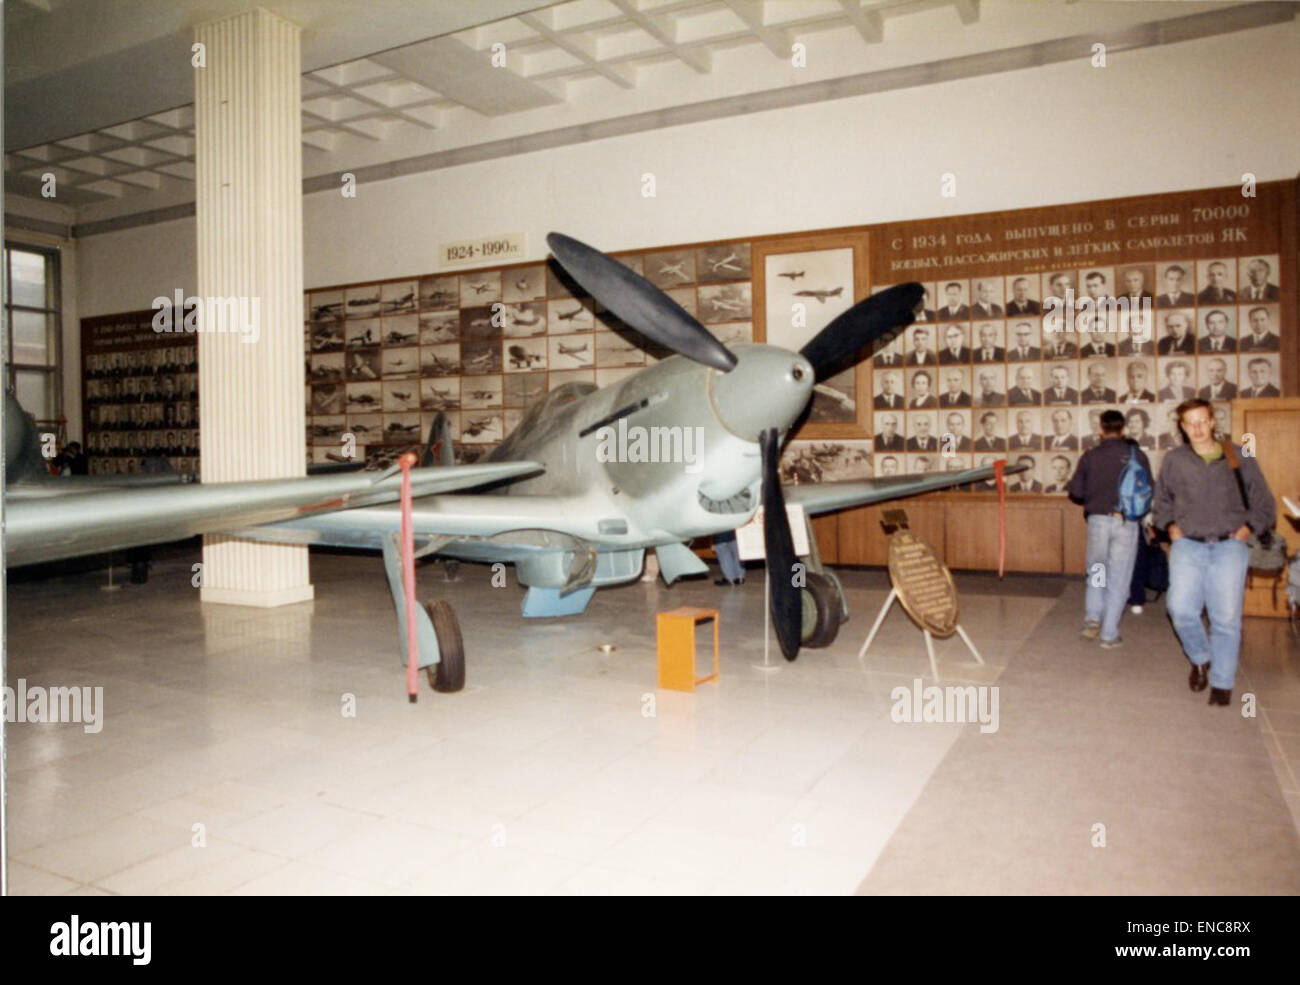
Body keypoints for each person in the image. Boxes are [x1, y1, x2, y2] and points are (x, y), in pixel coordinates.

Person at [1152, 399, 1275, 706]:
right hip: (1188, 545)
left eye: (1202, 421)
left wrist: (1247, 529)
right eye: (1189, 422)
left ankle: (1222, 682)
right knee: (1179, 609)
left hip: (1229, 546)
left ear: (1213, 422)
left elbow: (1264, 504)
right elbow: (1161, 502)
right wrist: (1171, 528)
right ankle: (1200, 657)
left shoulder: (1240, 454)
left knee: (1226, 617)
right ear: (1181, 426)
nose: (1196, 428)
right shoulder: (1174, 460)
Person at [1068, 409, 1149, 648]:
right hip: (1125, 522)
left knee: (1097, 572)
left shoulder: (1090, 456)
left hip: (1098, 522)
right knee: (1119, 577)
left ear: (1101, 429)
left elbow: (1076, 492)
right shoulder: (1136, 455)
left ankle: (1092, 619)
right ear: (1123, 429)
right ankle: (1109, 634)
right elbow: (1148, 489)